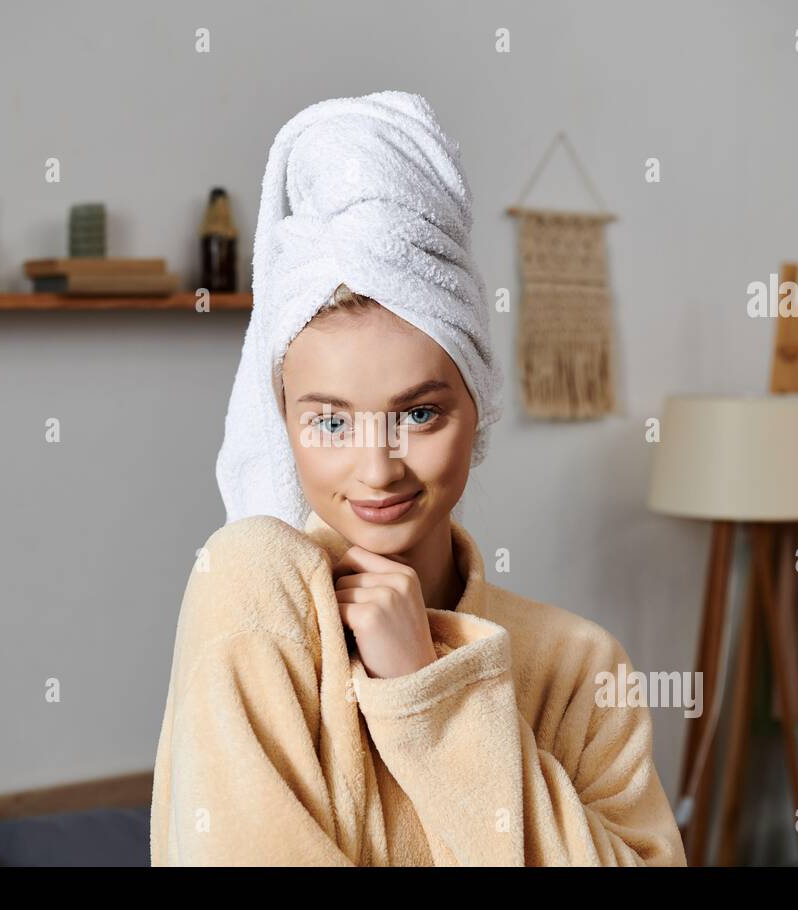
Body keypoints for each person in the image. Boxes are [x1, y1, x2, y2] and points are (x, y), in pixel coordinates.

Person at [150, 91, 685, 866]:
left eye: (420, 414)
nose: (377, 468)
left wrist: (431, 691)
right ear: (282, 421)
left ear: (480, 404)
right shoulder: (247, 587)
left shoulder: (578, 664)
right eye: (330, 422)